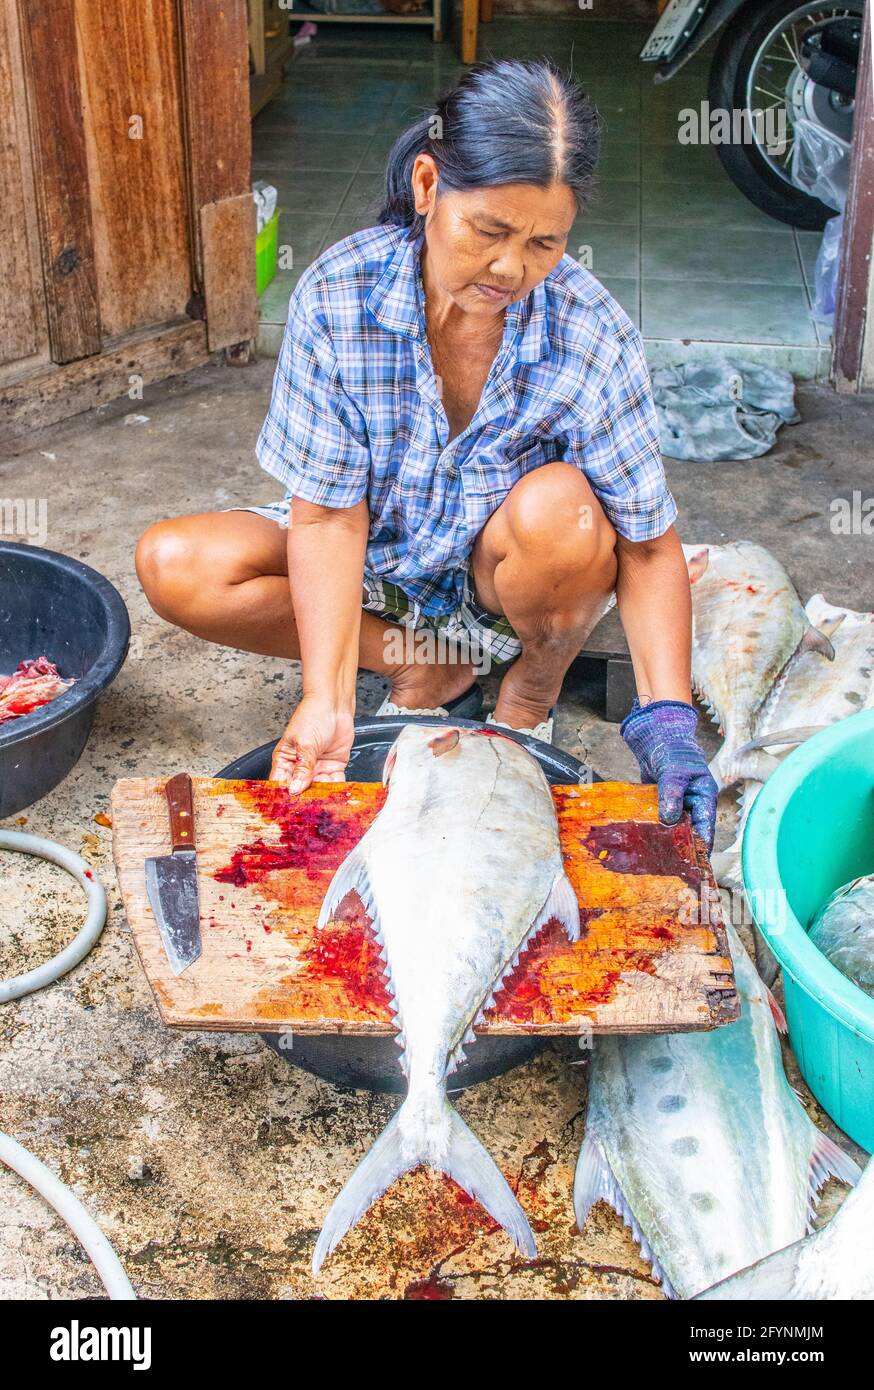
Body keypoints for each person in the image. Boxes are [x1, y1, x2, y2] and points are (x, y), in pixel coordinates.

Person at [137, 58, 718, 848]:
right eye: (489, 231)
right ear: (425, 186)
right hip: (375, 559)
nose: (512, 268)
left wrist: (672, 721)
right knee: (175, 562)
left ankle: (529, 690)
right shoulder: (341, 295)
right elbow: (329, 518)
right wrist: (329, 698)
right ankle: (426, 668)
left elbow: (648, 547)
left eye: (545, 242)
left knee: (565, 511)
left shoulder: (591, 332)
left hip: (507, 579)